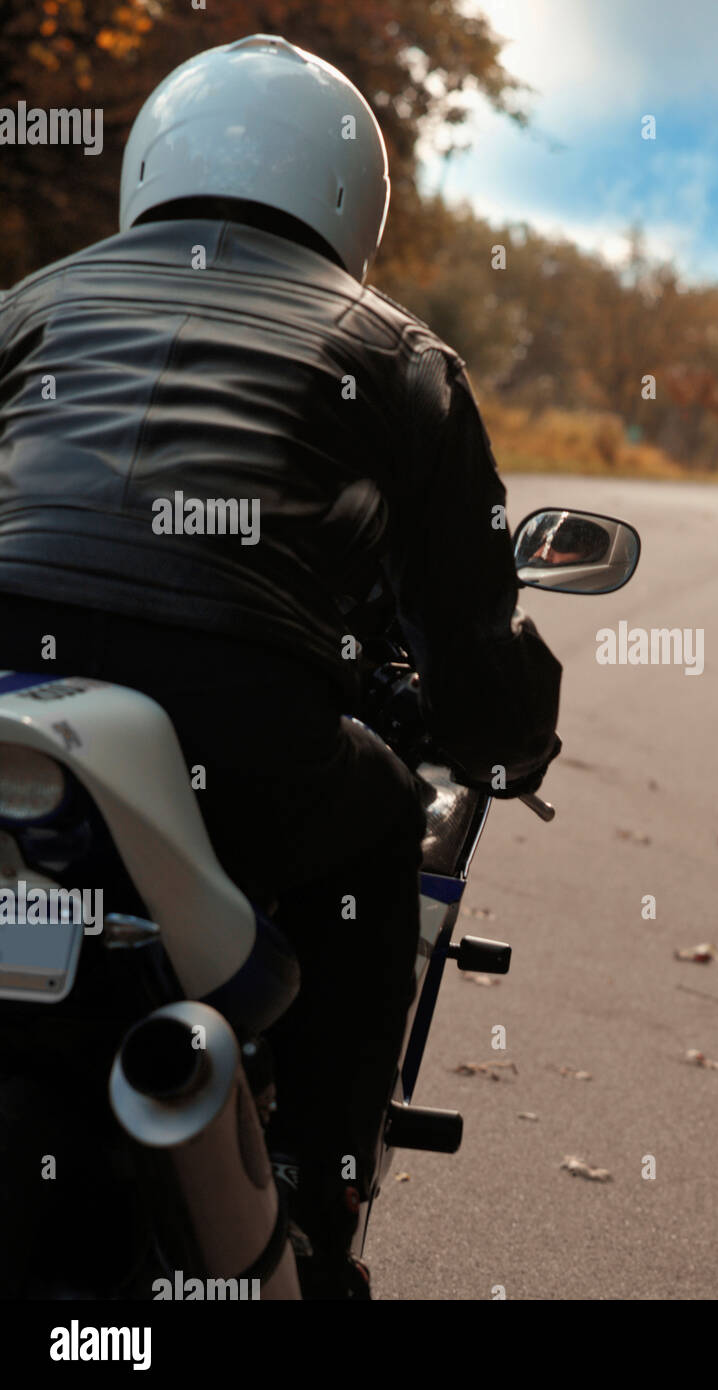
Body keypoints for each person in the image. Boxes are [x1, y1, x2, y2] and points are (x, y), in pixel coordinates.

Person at [0, 34, 562, 1298]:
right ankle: (315, 1194)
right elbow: (471, 637)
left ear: (151, 161)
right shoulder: (399, 355)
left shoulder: (34, 299)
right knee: (383, 829)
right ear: (352, 197)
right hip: (234, 713)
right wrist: (508, 735)